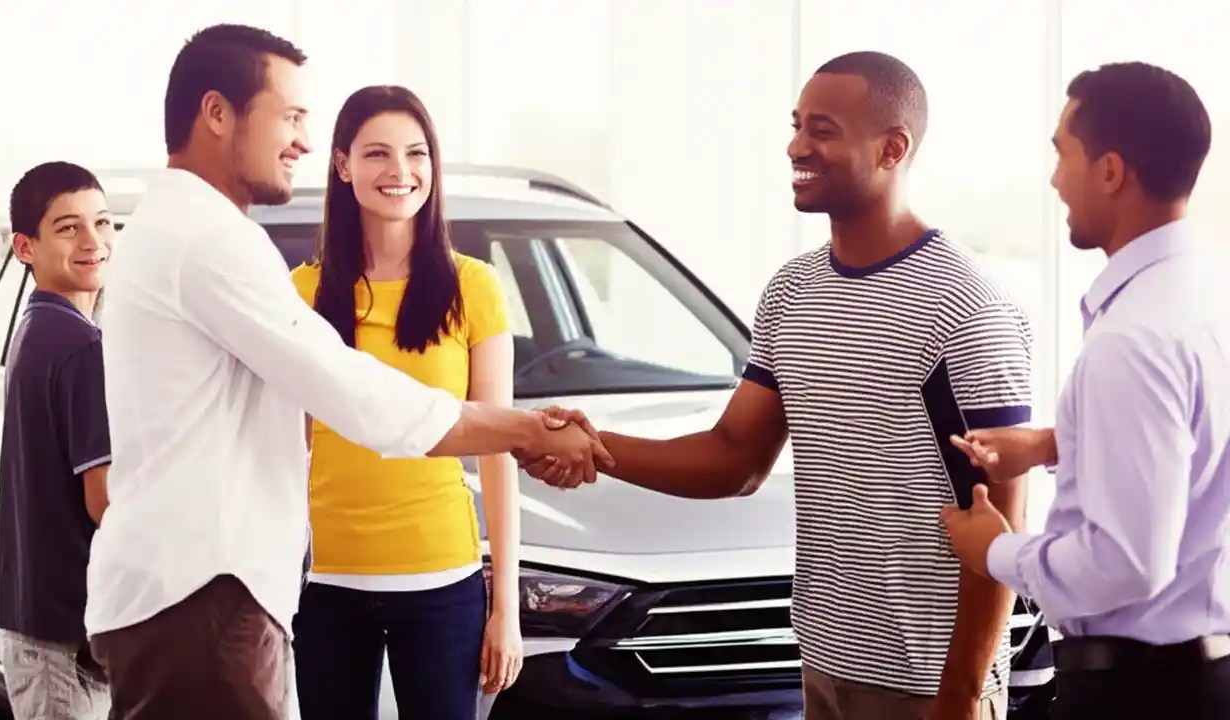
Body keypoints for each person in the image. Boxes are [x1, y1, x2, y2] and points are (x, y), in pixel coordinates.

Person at [84, 24, 609, 720]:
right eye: (290, 116)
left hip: (204, 591)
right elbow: (357, 397)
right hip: (202, 596)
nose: (301, 140)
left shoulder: (186, 228)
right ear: (217, 113)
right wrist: (527, 429)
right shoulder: (209, 240)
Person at [524, 51, 1033, 720]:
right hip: (823, 664)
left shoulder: (964, 307)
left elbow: (1003, 513)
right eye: (796, 126)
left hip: (927, 684)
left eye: (822, 130)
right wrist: (592, 444)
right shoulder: (792, 291)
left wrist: (961, 693)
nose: (796, 147)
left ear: (892, 148)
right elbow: (734, 458)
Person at [943, 62, 1228, 720]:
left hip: (1138, 696)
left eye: (1062, 153)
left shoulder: (1131, 340)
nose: (1054, 180)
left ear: (1110, 171)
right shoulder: (1208, 298)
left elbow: (1125, 564)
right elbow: (1197, 442)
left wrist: (992, 549)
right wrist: (1054, 444)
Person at [289, 85, 522, 719]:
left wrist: (505, 608)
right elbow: (286, 447)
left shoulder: (474, 286)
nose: (400, 171)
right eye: (378, 153)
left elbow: (499, 446)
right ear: (343, 165)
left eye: (416, 153)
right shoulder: (303, 292)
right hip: (324, 584)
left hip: (441, 581)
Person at [0, 161, 114, 720]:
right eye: (68, 228)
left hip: (36, 631)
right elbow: (106, 501)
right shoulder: (79, 347)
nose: (93, 241)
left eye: (102, 222)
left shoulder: (36, 328)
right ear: (25, 247)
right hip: (67, 643)